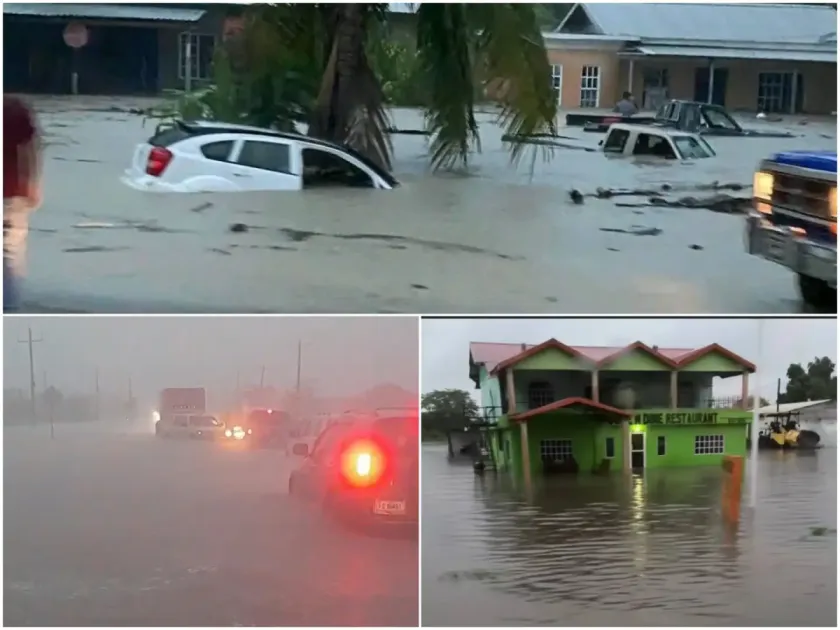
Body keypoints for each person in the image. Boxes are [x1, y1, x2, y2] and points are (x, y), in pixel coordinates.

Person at [4, 96, 43, 312]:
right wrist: (32, 182)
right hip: (10, 195)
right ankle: (9, 310)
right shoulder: (13, 109)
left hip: (11, 195)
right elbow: (30, 148)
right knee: (9, 257)